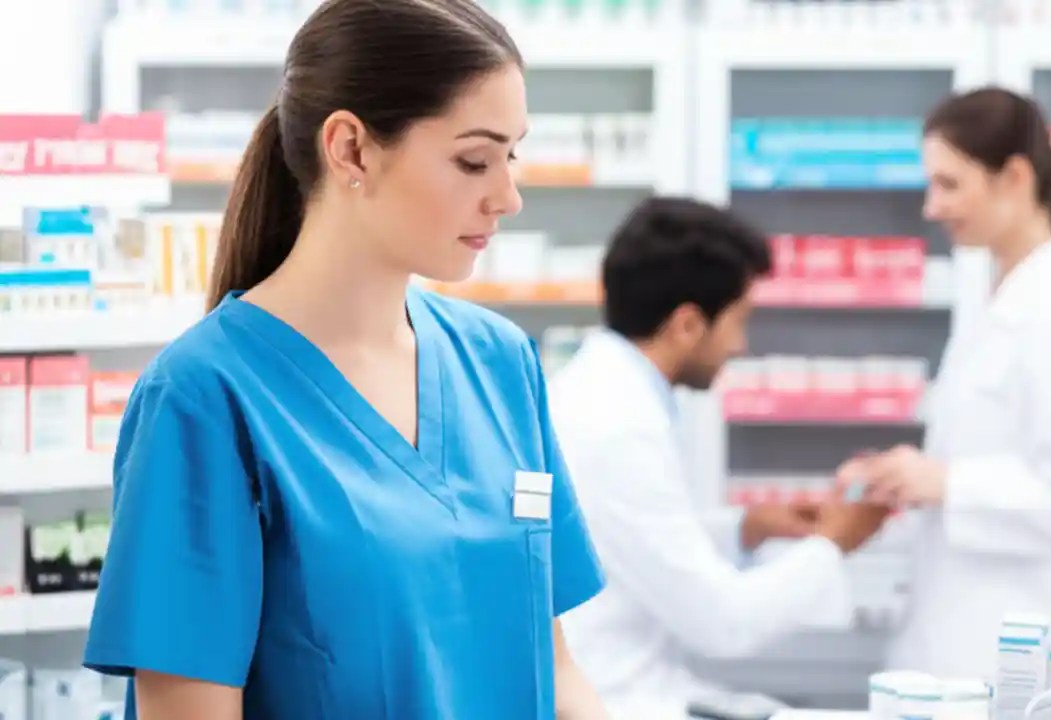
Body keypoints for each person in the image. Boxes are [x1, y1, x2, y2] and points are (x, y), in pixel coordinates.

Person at [81, 2, 610, 718]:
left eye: (510, 156)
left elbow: (554, 669)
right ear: (352, 149)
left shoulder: (501, 364)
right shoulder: (205, 398)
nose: (508, 196)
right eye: (473, 160)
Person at [549, 196, 892, 709]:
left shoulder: (607, 393)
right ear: (687, 325)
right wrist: (834, 543)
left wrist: (746, 527)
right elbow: (722, 623)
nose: (741, 346)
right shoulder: (617, 425)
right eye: (739, 320)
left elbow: (626, 542)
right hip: (613, 698)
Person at [840, 87, 1051, 680]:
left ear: (1014, 178)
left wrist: (945, 483)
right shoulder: (1001, 296)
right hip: (957, 637)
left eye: (949, 185)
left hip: (1010, 649)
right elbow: (991, 455)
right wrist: (906, 475)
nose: (931, 206)